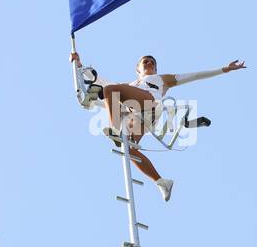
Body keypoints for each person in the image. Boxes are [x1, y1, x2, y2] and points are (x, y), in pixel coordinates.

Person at [69, 51, 247, 201]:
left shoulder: (161, 78)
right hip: (139, 117)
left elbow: (195, 75)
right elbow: (100, 80)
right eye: (145, 62)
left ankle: (115, 129)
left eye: (152, 62)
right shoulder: (131, 85)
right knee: (128, 148)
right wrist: (80, 65)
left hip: (150, 104)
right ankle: (161, 182)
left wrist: (224, 69)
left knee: (109, 90)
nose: (149, 63)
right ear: (137, 69)